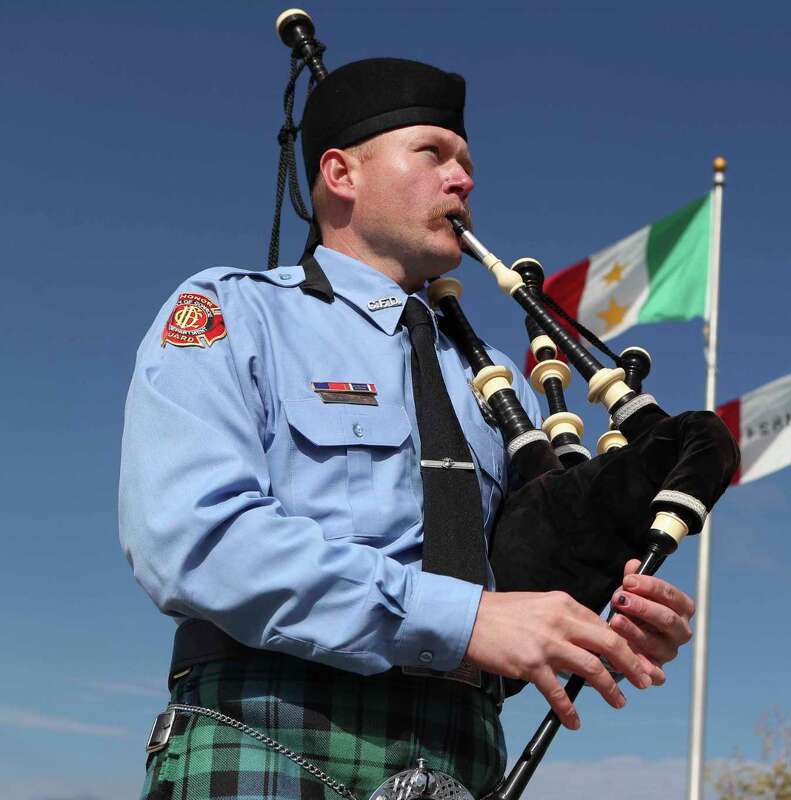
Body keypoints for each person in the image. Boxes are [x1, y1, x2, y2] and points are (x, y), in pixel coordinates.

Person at [119, 58, 696, 799]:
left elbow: (515, 591)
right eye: (434, 153)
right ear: (341, 174)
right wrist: (464, 619)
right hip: (265, 722)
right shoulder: (236, 314)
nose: (463, 181)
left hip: (465, 747)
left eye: (468, 165)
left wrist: (602, 620)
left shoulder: (498, 382)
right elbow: (193, 537)